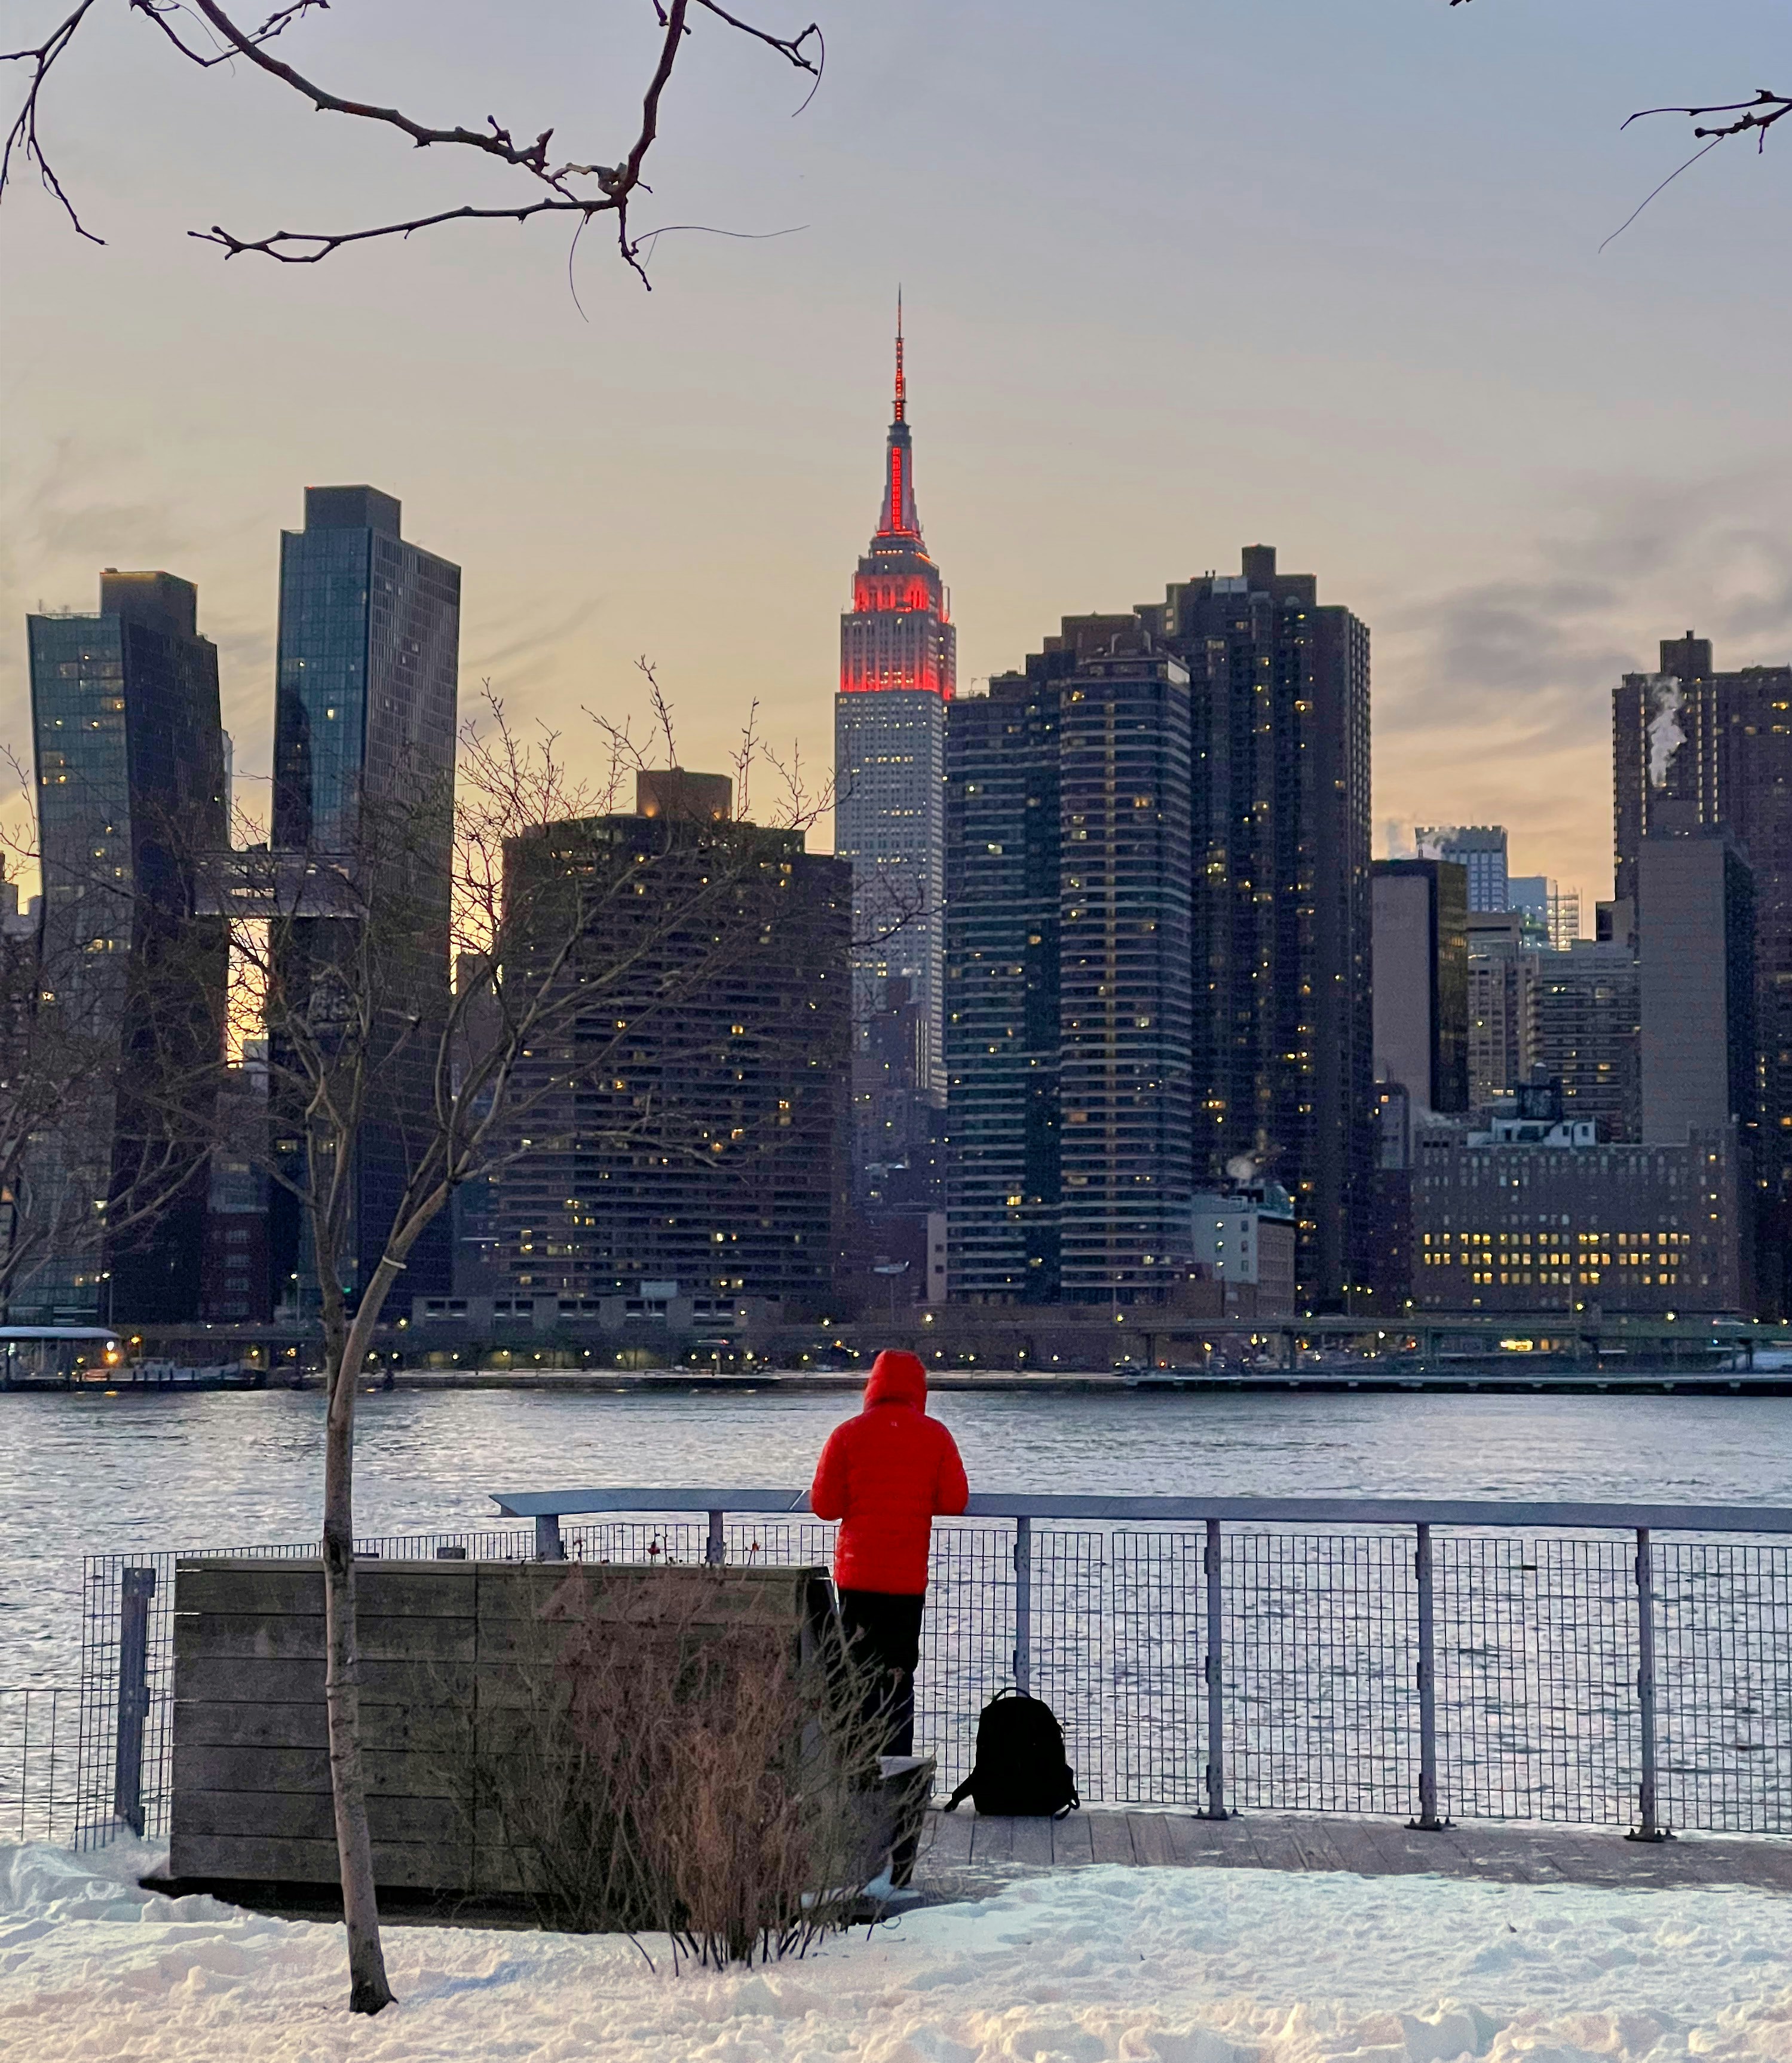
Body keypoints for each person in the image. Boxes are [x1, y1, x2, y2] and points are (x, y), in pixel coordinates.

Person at [809, 1348, 968, 1758]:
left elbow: (825, 1506)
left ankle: (854, 1764)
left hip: (858, 1579)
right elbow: (954, 1500)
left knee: (855, 1671)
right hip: (904, 1580)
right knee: (898, 1675)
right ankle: (895, 1767)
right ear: (919, 1389)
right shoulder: (935, 1435)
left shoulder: (847, 1433)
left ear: (872, 1386)